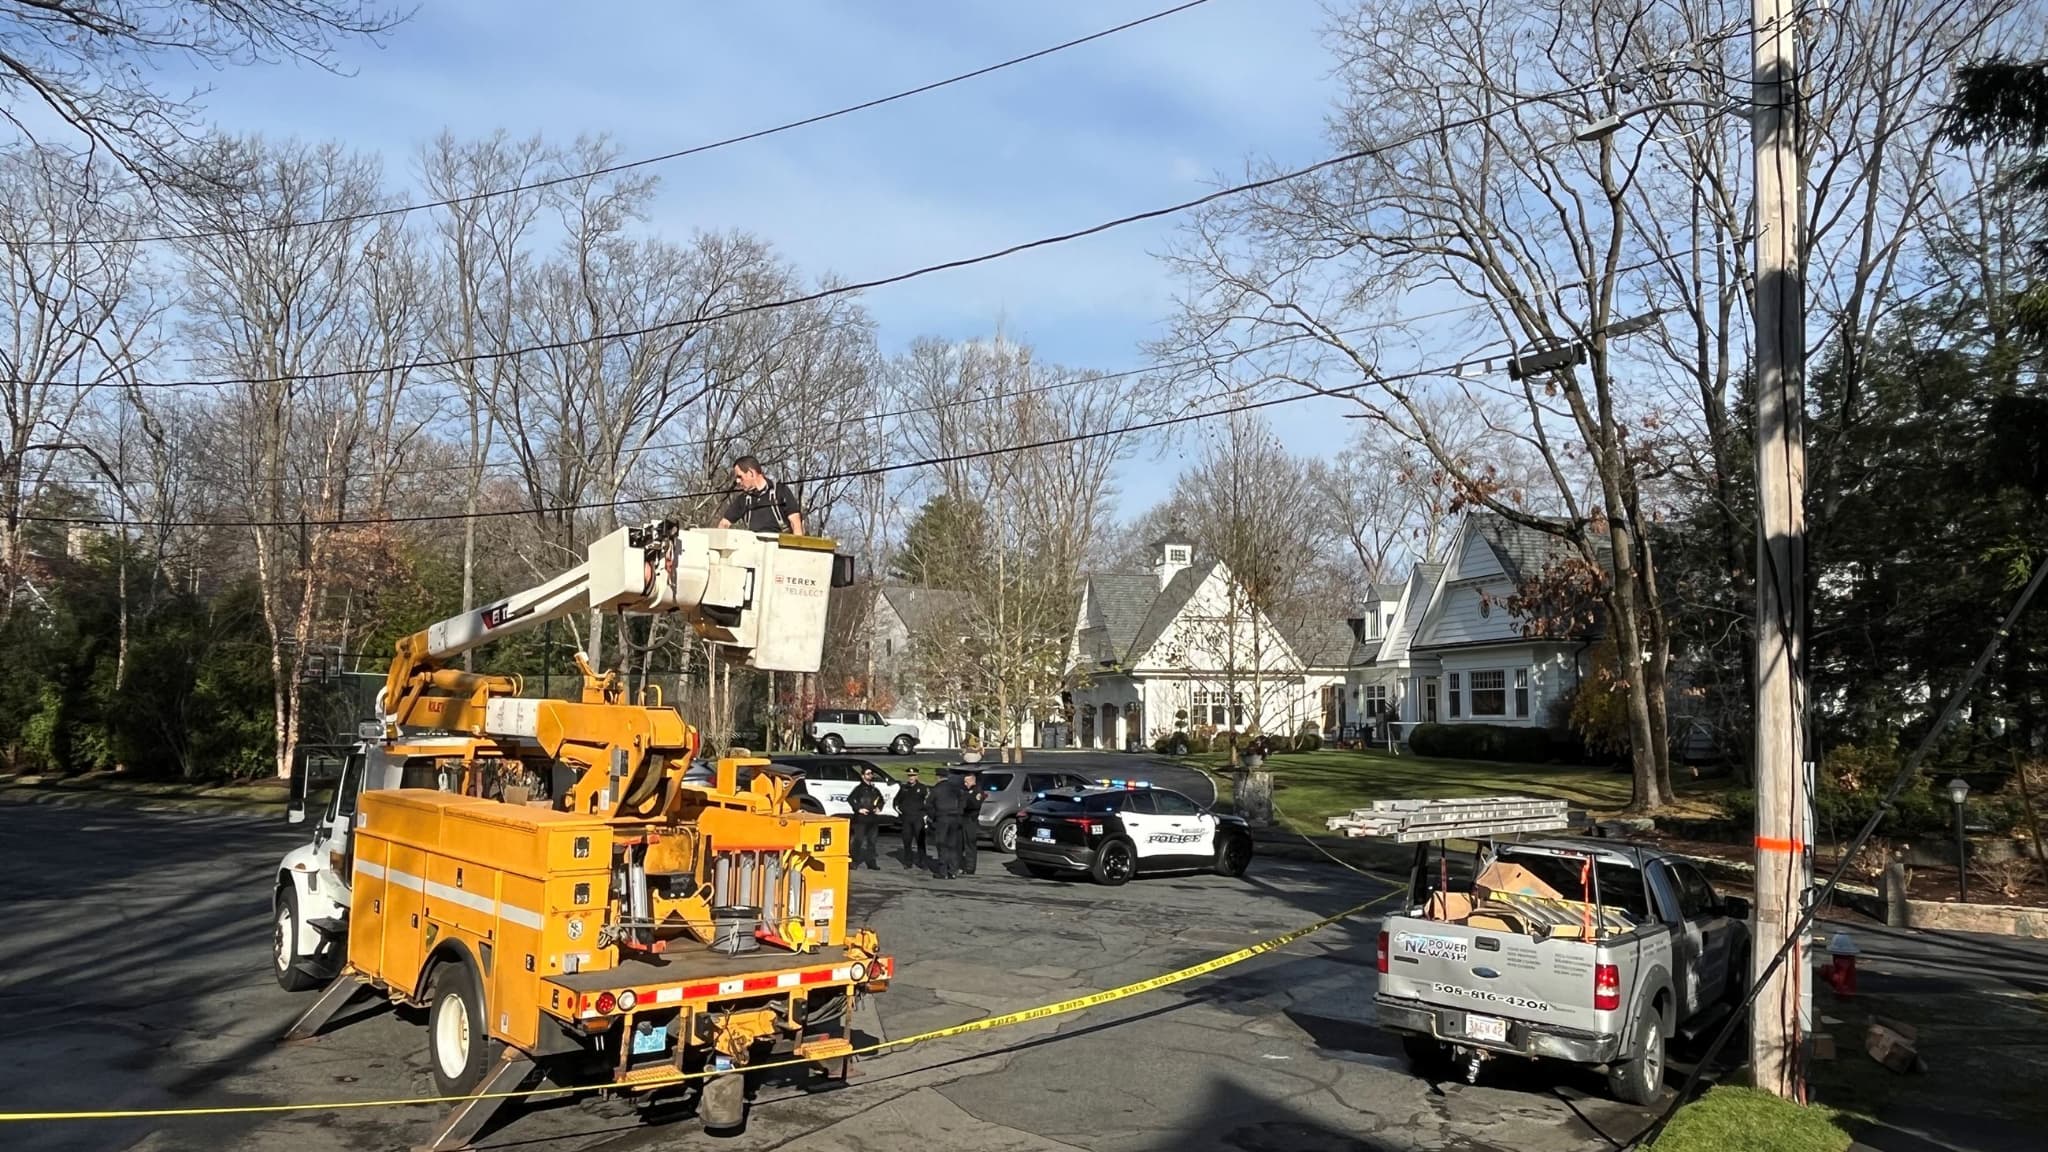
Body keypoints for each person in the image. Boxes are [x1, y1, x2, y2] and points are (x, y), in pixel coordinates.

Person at [716, 455, 804, 535]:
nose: (738, 481)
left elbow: (796, 524)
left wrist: (797, 549)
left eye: (740, 477)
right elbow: (724, 523)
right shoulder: (743, 500)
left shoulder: (780, 491)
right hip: (755, 547)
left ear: (751, 473)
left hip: (780, 548)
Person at [929, 769, 969, 880]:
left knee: (942, 845)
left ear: (937, 777)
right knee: (952, 846)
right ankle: (953, 871)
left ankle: (943, 872)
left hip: (942, 818)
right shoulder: (955, 788)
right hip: (954, 818)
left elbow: (928, 805)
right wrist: (959, 812)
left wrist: (934, 817)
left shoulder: (936, 789)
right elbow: (963, 800)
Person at [846, 766, 886, 871]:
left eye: (871, 774)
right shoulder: (859, 789)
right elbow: (850, 799)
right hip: (861, 819)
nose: (870, 775)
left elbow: (881, 800)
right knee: (858, 841)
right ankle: (854, 862)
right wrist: (858, 809)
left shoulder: (874, 789)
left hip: (873, 818)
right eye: (868, 774)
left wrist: (879, 808)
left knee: (872, 841)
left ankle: (871, 862)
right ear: (863, 776)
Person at [895, 767, 931, 869]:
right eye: (910, 776)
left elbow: (927, 802)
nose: (911, 778)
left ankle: (922, 862)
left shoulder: (923, 788)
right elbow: (896, 801)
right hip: (906, 818)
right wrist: (901, 811)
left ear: (917, 776)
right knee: (907, 841)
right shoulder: (904, 788)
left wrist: (925, 814)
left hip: (918, 818)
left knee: (920, 841)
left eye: (913, 775)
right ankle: (908, 862)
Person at [957, 769, 982, 876]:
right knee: (959, 844)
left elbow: (975, 805)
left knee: (969, 845)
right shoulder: (965, 791)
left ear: (972, 781)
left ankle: (970, 868)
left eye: (967, 782)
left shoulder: (977, 792)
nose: (965, 784)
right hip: (963, 820)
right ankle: (959, 865)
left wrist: (966, 799)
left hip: (970, 821)